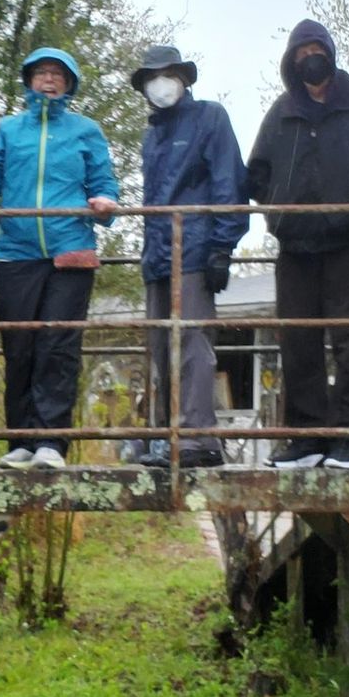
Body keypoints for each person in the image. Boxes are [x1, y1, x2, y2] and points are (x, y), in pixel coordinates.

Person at [246, 20, 349, 470]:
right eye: (301, 52)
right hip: (296, 245)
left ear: (330, 53)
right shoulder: (281, 112)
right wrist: (281, 205)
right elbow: (257, 171)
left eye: (316, 49)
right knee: (297, 340)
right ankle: (306, 437)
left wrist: (347, 206)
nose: (309, 57)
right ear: (292, 62)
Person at [0, 47, 119, 469]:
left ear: (69, 83)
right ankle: (22, 441)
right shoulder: (9, 131)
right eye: (41, 73)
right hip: (16, 252)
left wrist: (106, 202)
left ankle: (52, 442)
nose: (49, 79)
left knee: (59, 345)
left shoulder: (86, 131)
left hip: (70, 248)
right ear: (28, 81)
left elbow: (105, 183)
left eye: (58, 73)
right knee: (19, 347)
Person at [128, 44, 248, 469]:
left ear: (183, 78)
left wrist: (222, 247)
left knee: (193, 345)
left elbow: (229, 182)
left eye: (167, 74)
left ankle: (197, 439)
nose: (160, 83)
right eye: (152, 77)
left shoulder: (210, 118)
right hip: (156, 255)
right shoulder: (151, 135)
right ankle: (164, 434)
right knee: (160, 348)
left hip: (195, 251)